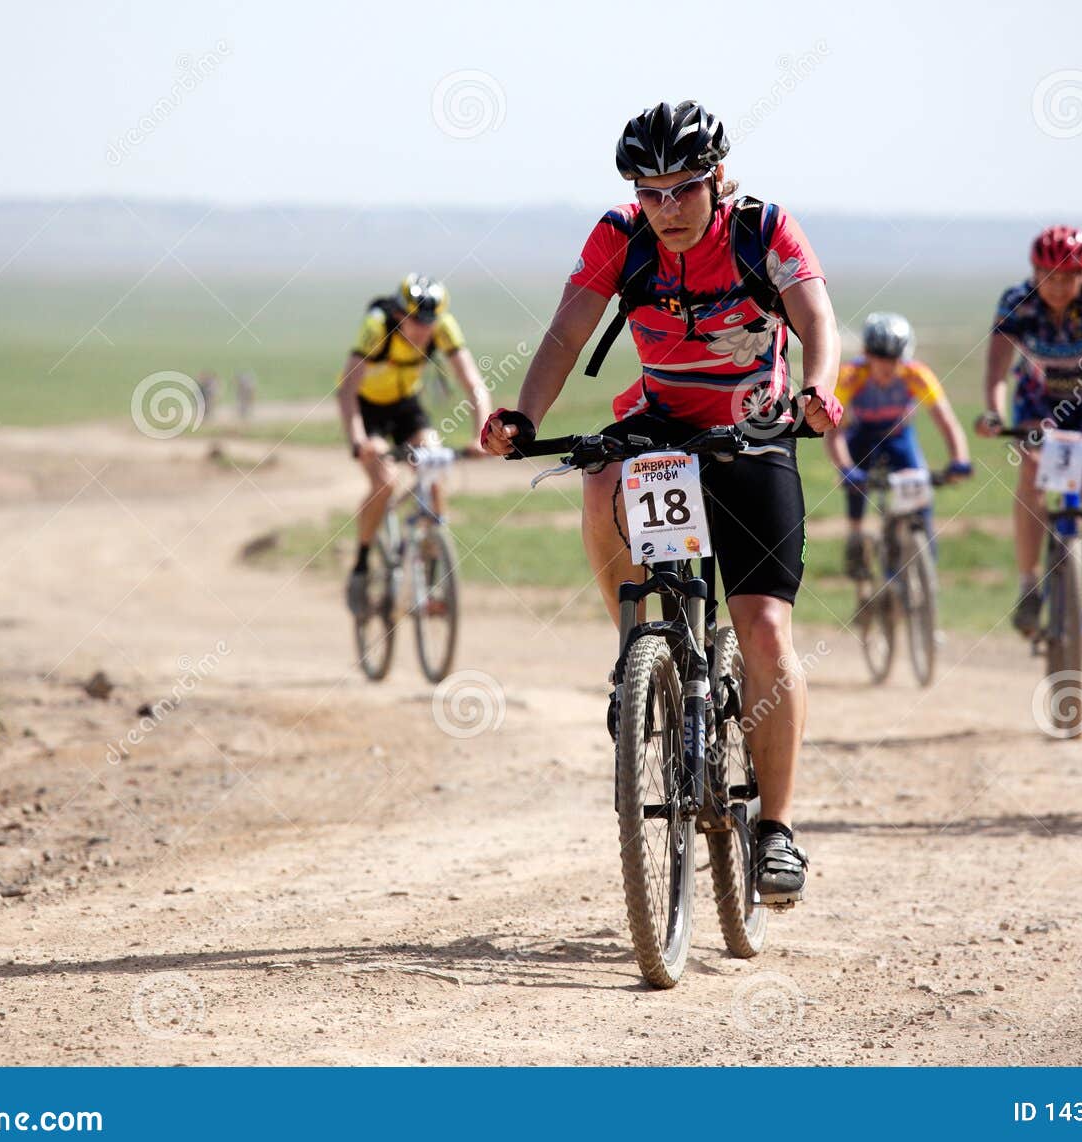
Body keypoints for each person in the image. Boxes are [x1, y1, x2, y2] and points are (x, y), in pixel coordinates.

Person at [479, 100, 843, 906]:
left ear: (716, 179)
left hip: (755, 431)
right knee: (600, 470)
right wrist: (523, 418)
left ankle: (776, 830)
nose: (667, 208)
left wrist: (819, 391)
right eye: (651, 192)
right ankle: (635, 650)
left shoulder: (762, 228)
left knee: (765, 627)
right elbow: (568, 333)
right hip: (667, 419)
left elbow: (817, 316)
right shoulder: (620, 235)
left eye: (683, 188)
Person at [975, 226, 1082, 652]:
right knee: (1031, 480)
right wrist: (994, 412)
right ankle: (1029, 585)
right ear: (1034, 273)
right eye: (1048, 275)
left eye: (1068, 276)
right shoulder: (1016, 302)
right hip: (1037, 405)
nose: (1057, 286)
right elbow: (997, 370)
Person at [337, 274, 490, 614]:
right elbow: (347, 390)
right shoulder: (376, 327)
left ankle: (433, 580)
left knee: (434, 469)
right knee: (385, 482)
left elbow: (474, 384)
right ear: (399, 315)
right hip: (367, 408)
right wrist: (359, 441)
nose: (423, 330)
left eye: (429, 323)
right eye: (415, 322)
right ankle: (361, 565)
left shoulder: (443, 326)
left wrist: (482, 435)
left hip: (406, 404)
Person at [825, 312, 970, 578]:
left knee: (920, 490)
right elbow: (833, 431)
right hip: (861, 435)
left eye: (894, 358)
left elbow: (946, 420)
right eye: (880, 356)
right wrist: (845, 467)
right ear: (867, 352)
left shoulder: (917, 375)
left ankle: (925, 559)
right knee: (857, 485)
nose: (887, 365)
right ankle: (856, 537)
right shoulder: (850, 376)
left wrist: (959, 459)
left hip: (898, 436)